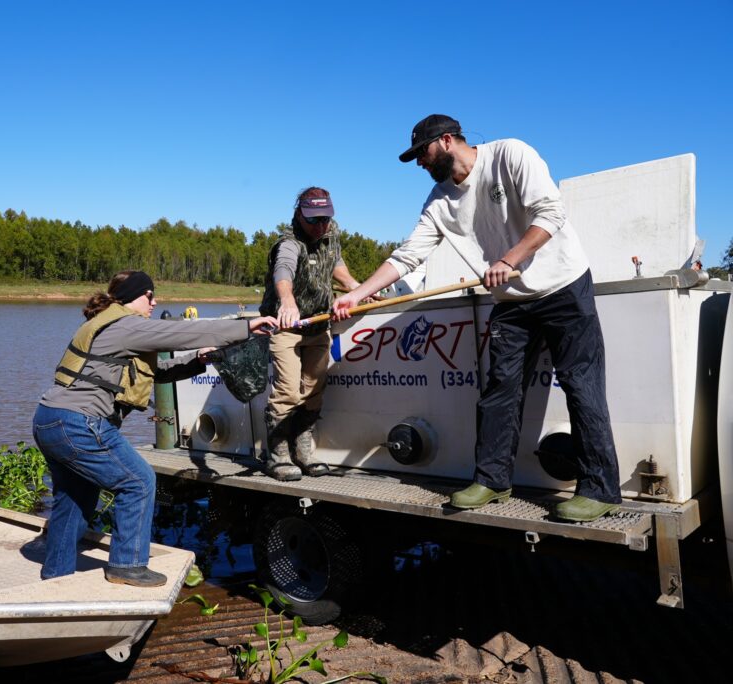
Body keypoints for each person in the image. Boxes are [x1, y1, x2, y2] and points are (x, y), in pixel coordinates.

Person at [333, 114, 622, 522]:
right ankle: (492, 480)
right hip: (512, 301)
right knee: (498, 390)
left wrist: (508, 258)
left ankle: (600, 488)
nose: (419, 162)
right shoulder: (438, 200)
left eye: (422, 153)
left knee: (580, 385)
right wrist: (358, 294)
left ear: (447, 140)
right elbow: (407, 255)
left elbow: (551, 214)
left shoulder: (510, 155)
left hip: (563, 287)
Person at [34, 270, 277, 587]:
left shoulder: (109, 323)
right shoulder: (127, 324)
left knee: (74, 501)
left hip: (50, 419)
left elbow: (154, 371)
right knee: (138, 480)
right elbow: (178, 334)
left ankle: (56, 576)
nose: (155, 301)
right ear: (135, 296)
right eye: (150, 295)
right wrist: (246, 326)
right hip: (79, 422)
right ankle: (127, 565)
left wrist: (196, 361)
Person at [259, 187, 365, 481]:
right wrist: (287, 300)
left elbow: (336, 264)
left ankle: (303, 452)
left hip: (318, 325)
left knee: (314, 389)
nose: (320, 227)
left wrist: (359, 289)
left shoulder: (331, 233)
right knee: (288, 392)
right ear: (299, 215)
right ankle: (277, 456)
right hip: (286, 326)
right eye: (313, 221)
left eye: (325, 220)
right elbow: (283, 271)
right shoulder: (289, 242)